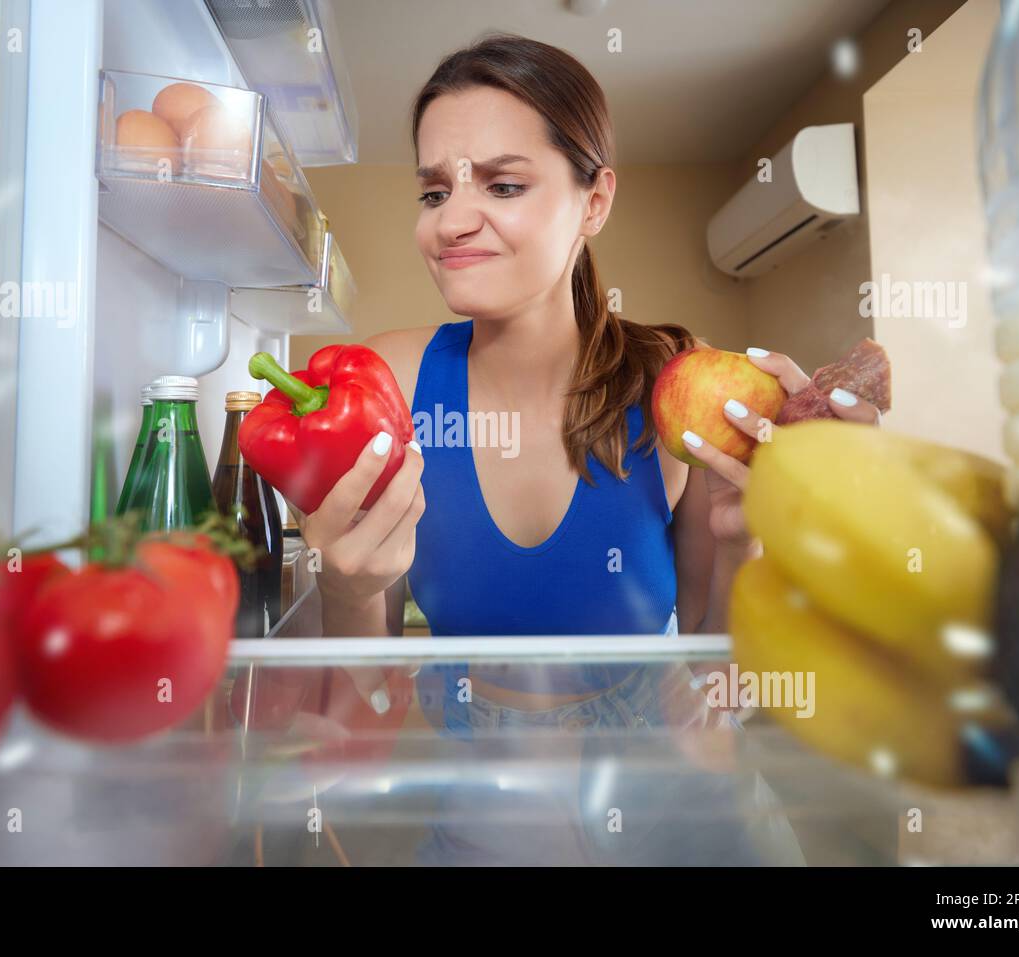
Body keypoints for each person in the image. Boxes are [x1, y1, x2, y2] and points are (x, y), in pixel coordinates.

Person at [292, 33, 880, 864]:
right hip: (475, 794)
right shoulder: (386, 378)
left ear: (595, 198)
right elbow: (361, 695)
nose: (451, 221)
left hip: (666, 786)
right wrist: (347, 590)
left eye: (502, 183)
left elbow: (719, 673)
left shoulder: (675, 387)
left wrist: (752, 539)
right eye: (433, 191)